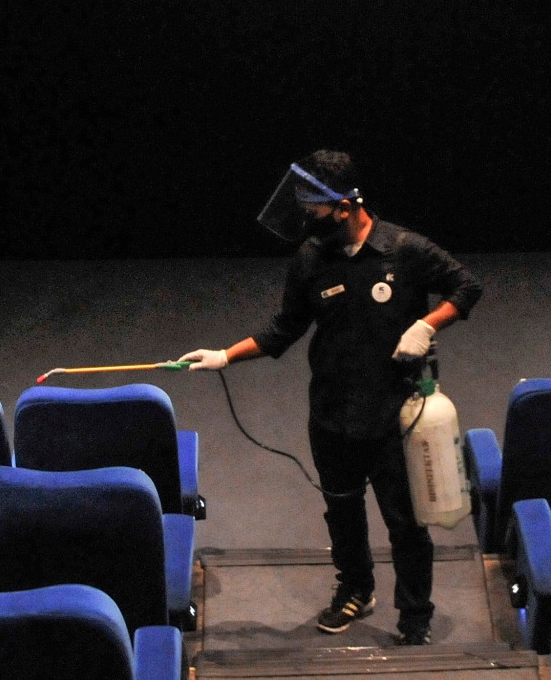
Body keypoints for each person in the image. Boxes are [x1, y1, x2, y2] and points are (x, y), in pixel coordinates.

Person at [178, 151, 484, 648]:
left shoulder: (403, 249)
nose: (304, 220)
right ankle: (356, 589)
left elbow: (466, 286)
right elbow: (283, 330)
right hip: (331, 414)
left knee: (404, 522)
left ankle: (415, 611)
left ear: (343, 207)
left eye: (312, 210)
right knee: (342, 511)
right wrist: (224, 356)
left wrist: (427, 324)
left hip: (395, 416)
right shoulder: (311, 260)